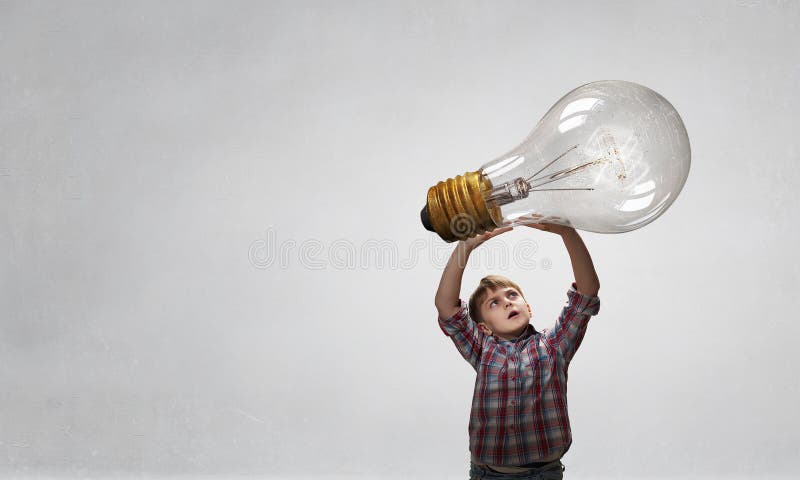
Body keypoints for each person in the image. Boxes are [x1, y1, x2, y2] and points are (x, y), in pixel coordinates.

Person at [435, 223, 601, 479]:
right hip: (489, 475)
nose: (507, 302)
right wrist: (465, 248)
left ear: (528, 307)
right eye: (494, 303)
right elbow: (446, 307)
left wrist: (567, 232)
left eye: (512, 295)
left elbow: (587, 293)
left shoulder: (553, 344)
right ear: (484, 327)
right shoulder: (482, 349)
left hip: (545, 473)